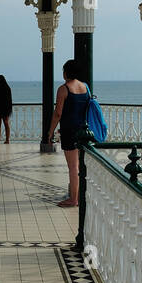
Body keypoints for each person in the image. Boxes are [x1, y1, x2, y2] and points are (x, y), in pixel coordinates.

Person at [47, 60, 90, 207]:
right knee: (81, 166)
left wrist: (50, 132)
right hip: (84, 132)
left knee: (73, 167)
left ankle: (73, 199)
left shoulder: (63, 89)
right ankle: (79, 195)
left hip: (69, 131)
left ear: (66, 72)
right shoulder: (85, 87)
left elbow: (57, 113)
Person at [0, 75, 13, 145]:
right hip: (6, 108)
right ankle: (7, 140)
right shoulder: (8, 88)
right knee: (6, 124)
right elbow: (9, 100)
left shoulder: (0, 89)